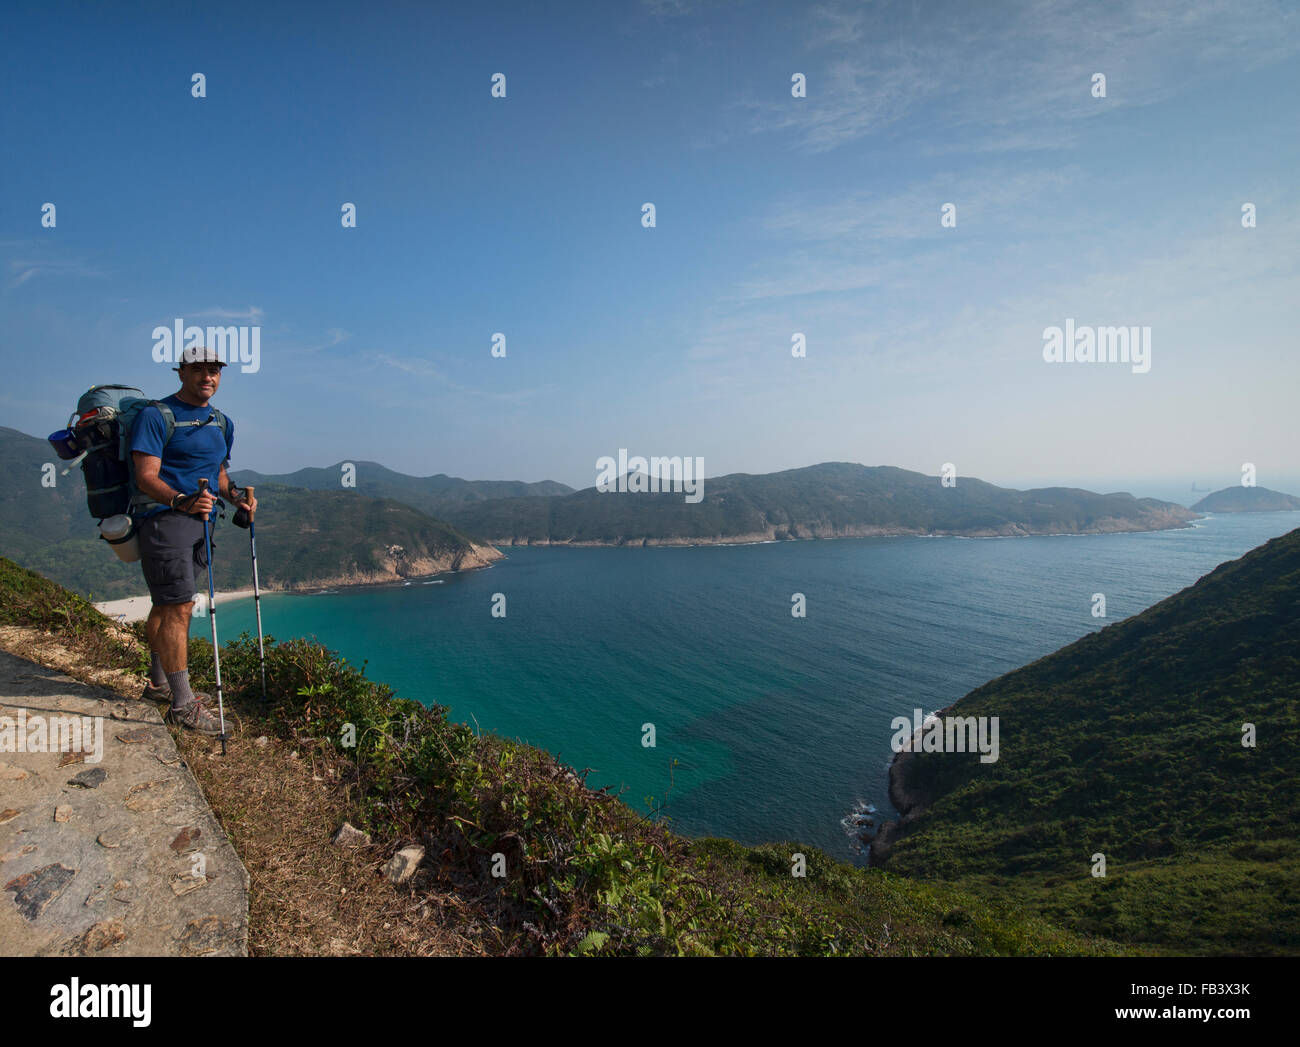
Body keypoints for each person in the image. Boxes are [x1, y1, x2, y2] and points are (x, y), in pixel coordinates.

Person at [129, 345, 257, 734]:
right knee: (180, 608)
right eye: (199, 370)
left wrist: (237, 497)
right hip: (165, 522)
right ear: (181, 373)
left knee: (165, 605)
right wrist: (181, 501)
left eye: (215, 370)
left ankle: (158, 685)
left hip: (204, 524)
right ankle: (183, 706)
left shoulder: (221, 422)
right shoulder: (156, 416)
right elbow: (146, 476)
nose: (208, 377)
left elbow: (217, 475)